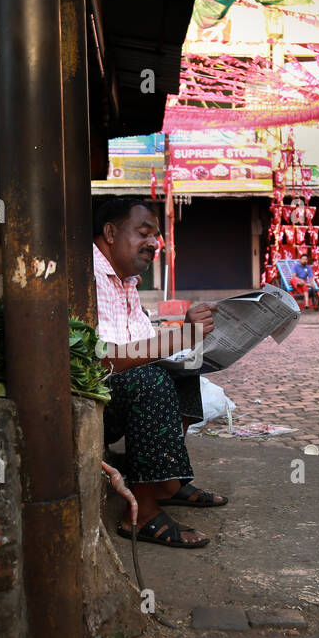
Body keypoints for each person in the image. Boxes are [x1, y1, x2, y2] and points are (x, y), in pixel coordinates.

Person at [93, 198, 229, 549]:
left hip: (115, 393)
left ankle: (166, 484)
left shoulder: (126, 282)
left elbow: (142, 345)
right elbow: (102, 360)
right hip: (89, 399)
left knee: (184, 371)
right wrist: (182, 337)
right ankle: (142, 515)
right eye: (144, 233)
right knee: (149, 381)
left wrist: (184, 339)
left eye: (156, 235)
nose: (154, 243)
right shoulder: (89, 277)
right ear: (110, 232)